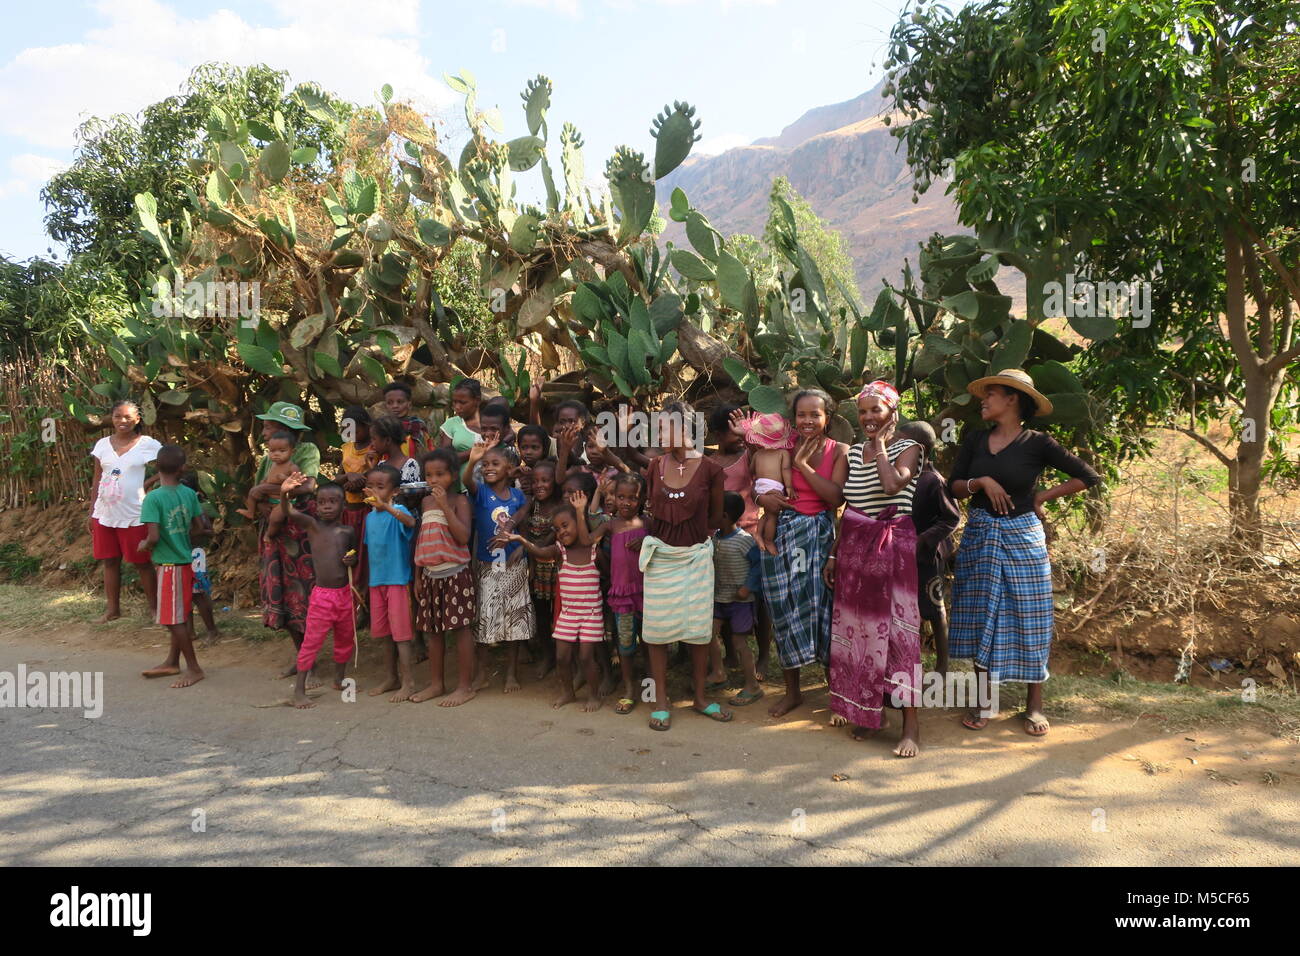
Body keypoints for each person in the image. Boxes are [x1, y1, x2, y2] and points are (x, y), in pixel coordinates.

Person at [949, 369, 1102, 737]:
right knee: (981, 614)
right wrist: (980, 481)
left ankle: (1035, 706)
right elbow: (954, 486)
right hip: (980, 535)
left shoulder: (1038, 443)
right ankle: (985, 701)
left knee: (1031, 616)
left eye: (992, 394)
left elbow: (1087, 476)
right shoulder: (974, 440)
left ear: (1013, 399)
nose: (983, 400)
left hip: (1022, 538)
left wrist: (1041, 497)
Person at [826, 381, 923, 756]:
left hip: (894, 547)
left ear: (892, 413)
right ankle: (868, 713)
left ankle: (911, 727)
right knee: (859, 633)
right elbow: (848, 510)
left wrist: (881, 446)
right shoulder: (852, 454)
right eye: (863, 411)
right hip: (854, 549)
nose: (868, 418)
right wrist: (834, 554)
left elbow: (890, 485)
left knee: (901, 636)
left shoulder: (909, 448)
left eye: (875, 410)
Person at [640, 400, 731, 731]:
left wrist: (694, 545)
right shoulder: (654, 467)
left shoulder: (711, 470)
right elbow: (649, 511)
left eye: (665, 427)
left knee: (697, 631)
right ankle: (661, 701)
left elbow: (715, 518)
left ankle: (700, 698)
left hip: (695, 559)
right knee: (656, 632)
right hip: (661, 560)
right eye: (659, 427)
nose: (660, 433)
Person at [757, 389, 848, 719]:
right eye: (801, 415)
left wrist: (803, 466)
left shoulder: (839, 450)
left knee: (824, 609)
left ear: (827, 418)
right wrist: (761, 501)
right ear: (793, 418)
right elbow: (762, 486)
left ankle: (834, 690)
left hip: (819, 537)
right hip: (782, 534)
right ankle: (792, 692)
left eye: (815, 415)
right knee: (784, 609)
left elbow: (835, 499)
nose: (808, 421)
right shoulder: (780, 446)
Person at [510, 502, 603, 711]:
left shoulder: (595, 551)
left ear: (579, 522)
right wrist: (521, 540)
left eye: (565, 525)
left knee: (587, 656)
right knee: (562, 656)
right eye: (557, 529)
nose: (561, 532)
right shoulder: (560, 552)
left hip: (591, 614)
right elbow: (540, 552)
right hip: (568, 615)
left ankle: (594, 695)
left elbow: (607, 576)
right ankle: (568, 692)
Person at [250, 402, 319, 678]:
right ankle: (302, 655)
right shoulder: (270, 456)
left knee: (303, 591)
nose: (264, 432)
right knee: (281, 591)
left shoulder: (306, 451)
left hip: (299, 530)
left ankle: (310, 656)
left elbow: (308, 486)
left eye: (268, 426)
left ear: (284, 430)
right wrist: (261, 495)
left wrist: (262, 489)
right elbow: (257, 492)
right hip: (274, 530)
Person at [278, 477, 357, 709]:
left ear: (343, 505)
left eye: (333, 502)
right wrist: (284, 493)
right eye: (322, 502)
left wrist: (352, 559)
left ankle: (339, 678)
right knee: (312, 642)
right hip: (322, 596)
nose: (327, 506)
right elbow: (289, 512)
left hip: (345, 594)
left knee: (345, 639)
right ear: (315, 506)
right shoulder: (312, 526)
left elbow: (354, 557)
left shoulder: (348, 531)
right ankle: (299, 691)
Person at [708, 404, 773, 681]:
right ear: (718, 434)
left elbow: (762, 461)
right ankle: (732, 654)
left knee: (757, 598)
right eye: (732, 432)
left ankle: (764, 655)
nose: (737, 436)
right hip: (718, 537)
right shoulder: (707, 462)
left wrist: (748, 437)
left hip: (750, 533)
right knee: (722, 594)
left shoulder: (749, 456)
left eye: (741, 432)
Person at [464, 438, 534, 691]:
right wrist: (473, 460)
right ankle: (481, 673)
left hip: (514, 566)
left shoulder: (517, 495)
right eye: (485, 464)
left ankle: (511, 674)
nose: (488, 467)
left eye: (495, 463)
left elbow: (527, 510)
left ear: (509, 469)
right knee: (485, 621)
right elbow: (466, 481)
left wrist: (522, 547)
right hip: (489, 566)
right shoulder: (482, 492)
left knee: (515, 622)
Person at [410, 449, 478, 707]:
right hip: (430, 575)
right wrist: (418, 576)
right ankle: (436, 684)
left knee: (460, 630)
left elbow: (462, 537)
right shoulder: (425, 502)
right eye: (429, 475)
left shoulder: (460, 501)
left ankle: (465, 686)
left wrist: (444, 507)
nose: (434, 480)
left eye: (440, 474)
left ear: (452, 475)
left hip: (455, 574)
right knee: (433, 632)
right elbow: (422, 541)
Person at [137, 444, 206, 688]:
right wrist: (182, 537)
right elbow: (199, 527)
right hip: (185, 561)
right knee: (181, 614)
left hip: (169, 565)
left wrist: (144, 544)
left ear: (156, 467)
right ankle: (172, 661)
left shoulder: (153, 498)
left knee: (172, 619)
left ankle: (194, 668)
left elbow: (153, 537)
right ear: (183, 468)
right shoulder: (188, 493)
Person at [88, 399, 161, 623]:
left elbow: (172, 466)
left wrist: (146, 485)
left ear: (137, 419)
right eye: (118, 416)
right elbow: (97, 479)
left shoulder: (147, 444)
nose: (123, 421)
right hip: (105, 513)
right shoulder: (102, 444)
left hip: (134, 514)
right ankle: (112, 610)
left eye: (128, 417)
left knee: (142, 562)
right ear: (111, 418)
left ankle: (156, 610)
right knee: (109, 561)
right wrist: (92, 511)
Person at [897, 421, 960, 674]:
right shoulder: (901, 476)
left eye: (901, 443)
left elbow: (951, 518)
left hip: (927, 556)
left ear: (919, 449)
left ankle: (943, 664)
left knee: (934, 608)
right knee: (908, 609)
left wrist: (923, 540)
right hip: (902, 554)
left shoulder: (933, 480)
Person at [362, 464, 418, 702]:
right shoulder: (369, 518)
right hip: (377, 583)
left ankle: (409, 682)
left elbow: (411, 523)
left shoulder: (398, 509)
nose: (374, 491)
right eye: (371, 486)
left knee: (402, 635)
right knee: (384, 633)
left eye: (380, 487)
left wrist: (386, 506)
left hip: (397, 581)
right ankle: (391, 677)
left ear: (394, 491)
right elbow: (370, 550)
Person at [709, 492, 764, 707]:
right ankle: (718, 672)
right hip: (719, 597)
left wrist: (747, 587)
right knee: (708, 634)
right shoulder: (715, 537)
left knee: (739, 642)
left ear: (723, 515)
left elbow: (759, 566)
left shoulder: (744, 541)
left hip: (740, 601)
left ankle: (752, 686)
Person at [605, 472, 647, 714]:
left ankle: (652, 687)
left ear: (641, 500)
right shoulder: (610, 524)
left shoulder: (647, 524)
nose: (626, 502)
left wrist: (647, 542)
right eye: (621, 497)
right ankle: (629, 689)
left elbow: (661, 544)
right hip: (622, 595)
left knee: (651, 643)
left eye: (632, 498)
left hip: (646, 593)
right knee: (626, 646)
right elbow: (588, 538)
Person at [520, 459, 562, 680]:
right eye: (535, 481)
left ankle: (565, 657)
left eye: (545, 480)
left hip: (557, 567)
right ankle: (548, 656)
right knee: (542, 614)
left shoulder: (560, 506)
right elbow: (523, 526)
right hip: (537, 568)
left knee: (561, 615)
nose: (539, 485)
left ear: (555, 482)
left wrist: (535, 549)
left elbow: (553, 536)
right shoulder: (531, 503)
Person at [736, 412, 796, 556]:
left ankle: (758, 534)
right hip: (774, 486)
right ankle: (768, 540)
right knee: (773, 515)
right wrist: (788, 486)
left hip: (760, 485)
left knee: (767, 514)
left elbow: (752, 470)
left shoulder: (757, 454)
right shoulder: (783, 453)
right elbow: (786, 470)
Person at [337, 405, 373, 624]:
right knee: (352, 557)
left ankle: (367, 608)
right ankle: (356, 605)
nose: (352, 434)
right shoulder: (346, 449)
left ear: (367, 427)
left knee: (367, 558)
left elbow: (376, 473)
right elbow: (338, 477)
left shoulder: (373, 448)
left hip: (368, 509)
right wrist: (349, 476)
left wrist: (360, 479)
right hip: (349, 512)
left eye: (356, 429)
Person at [180, 472, 220, 644]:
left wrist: (194, 532)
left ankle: (212, 630)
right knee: (184, 594)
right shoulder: (180, 504)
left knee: (198, 594)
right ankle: (190, 631)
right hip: (184, 552)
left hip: (195, 553)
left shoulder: (198, 506)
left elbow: (210, 531)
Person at [238, 431, 301, 521]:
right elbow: (270, 476)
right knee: (252, 492)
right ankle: (250, 512)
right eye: (272, 451)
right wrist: (264, 481)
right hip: (270, 499)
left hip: (283, 502)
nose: (276, 454)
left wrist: (286, 479)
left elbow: (298, 484)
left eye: (282, 451)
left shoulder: (292, 467)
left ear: (292, 452)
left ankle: (269, 533)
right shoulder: (274, 464)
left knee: (274, 521)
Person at [439, 378, 484, 462]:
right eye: (454, 402)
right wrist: (474, 452)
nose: (457, 407)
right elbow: (444, 458)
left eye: (462, 402)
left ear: (477, 400)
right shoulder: (451, 423)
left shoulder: (491, 422)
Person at [383, 381, 432, 456]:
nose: (395, 406)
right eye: (390, 403)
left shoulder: (417, 426)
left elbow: (424, 453)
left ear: (409, 405)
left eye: (400, 402)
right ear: (385, 406)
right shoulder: (381, 427)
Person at [515, 424, 550, 498]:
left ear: (544, 448)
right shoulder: (520, 472)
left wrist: (534, 489)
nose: (528, 452)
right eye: (524, 447)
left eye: (534, 447)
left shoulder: (550, 470)